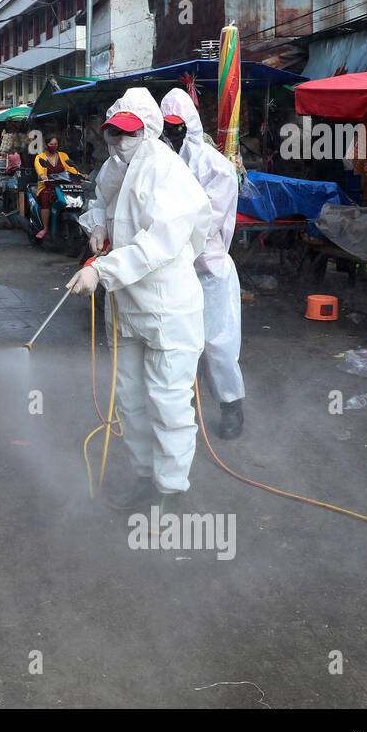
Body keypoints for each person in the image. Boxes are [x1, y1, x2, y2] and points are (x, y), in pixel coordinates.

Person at [66, 88, 212, 516]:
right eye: (113, 133)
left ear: (148, 129)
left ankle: (171, 491)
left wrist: (102, 270)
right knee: (130, 399)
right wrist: (96, 228)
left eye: (128, 134)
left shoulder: (168, 172)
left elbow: (159, 244)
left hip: (168, 307)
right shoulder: (114, 169)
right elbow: (102, 205)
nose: (119, 142)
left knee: (167, 401)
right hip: (125, 308)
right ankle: (145, 477)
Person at [161, 88, 246, 439]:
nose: (173, 133)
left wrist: (166, 232)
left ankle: (231, 407)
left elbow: (208, 220)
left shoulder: (217, 167)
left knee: (218, 344)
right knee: (179, 343)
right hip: (174, 269)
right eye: (167, 127)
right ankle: (185, 410)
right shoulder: (161, 163)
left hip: (209, 270)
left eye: (178, 126)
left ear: (190, 126)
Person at [32, 136, 82, 240]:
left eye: (56, 144)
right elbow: (39, 168)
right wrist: (42, 176)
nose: (54, 146)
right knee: (45, 198)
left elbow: (70, 168)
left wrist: (80, 174)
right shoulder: (40, 157)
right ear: (46, 145)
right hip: (47, 185)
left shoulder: (63, 156)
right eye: (52, 144)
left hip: (62, 185)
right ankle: (45, 228)